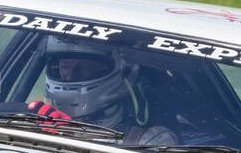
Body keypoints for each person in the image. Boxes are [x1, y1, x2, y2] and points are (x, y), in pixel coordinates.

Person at [26, 37, 177, 146]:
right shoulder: (26, 123)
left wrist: (69, 133)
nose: (70, 76)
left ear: (121, 72)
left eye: (84, 68)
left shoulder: (150, 140)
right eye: (64, 67)